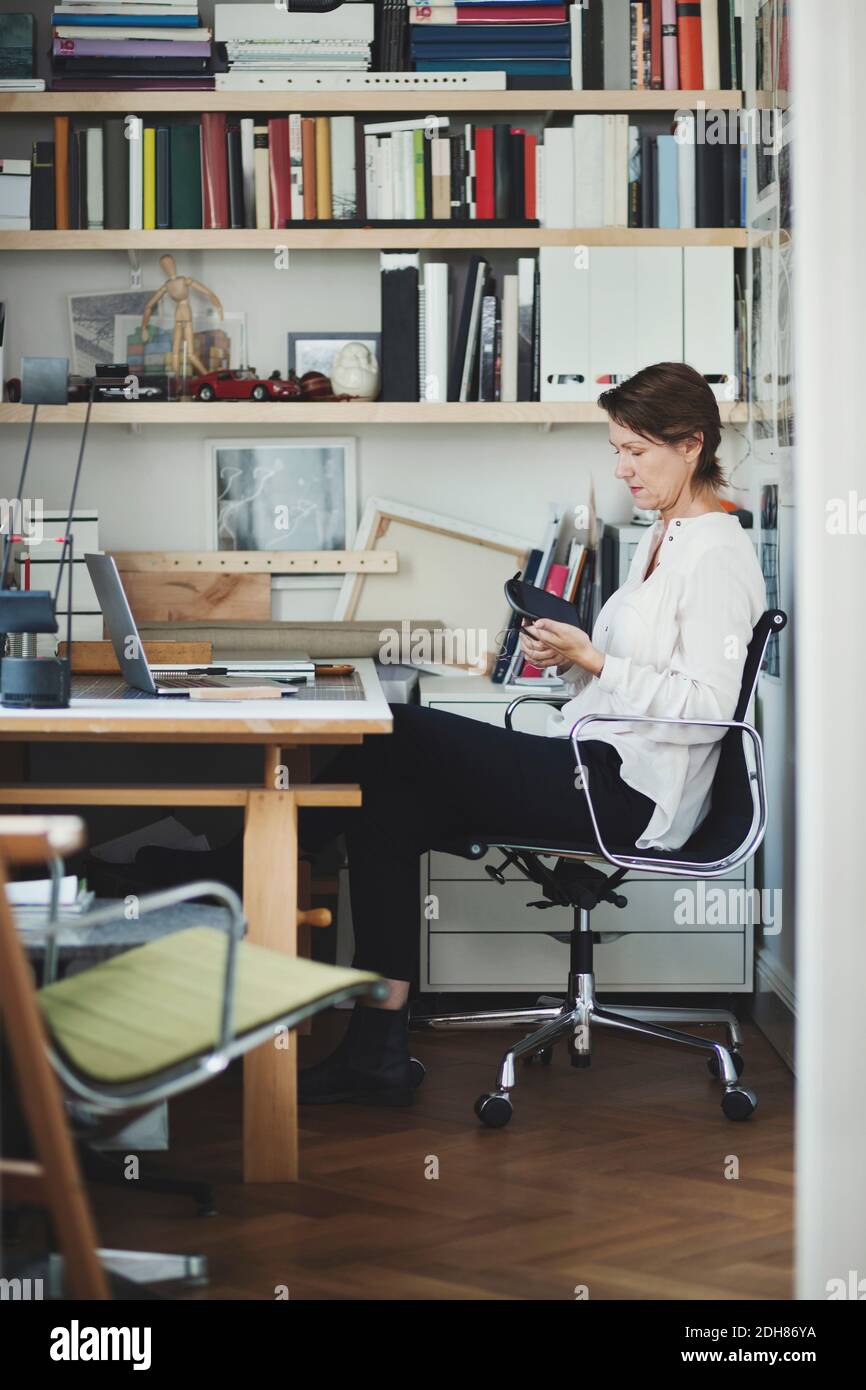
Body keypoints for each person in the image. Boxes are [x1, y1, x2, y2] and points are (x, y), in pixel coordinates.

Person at [298, 361, 767, 1108]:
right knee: (389, 806)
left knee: (398, 732)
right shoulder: (665, 538)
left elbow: (707, 707)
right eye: (616, 449)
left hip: (629, 794)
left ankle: (243, 857)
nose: (623, 469)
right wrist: (573, 664)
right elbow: (629, 679)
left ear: (691, 445)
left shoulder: (716, 554)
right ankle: (375, 1049)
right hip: (592, 762)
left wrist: (596, 658)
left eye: (637, 451)